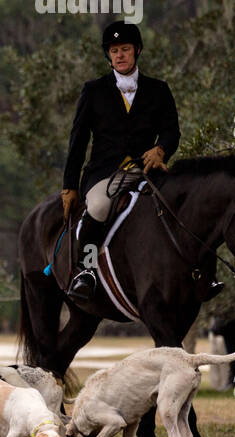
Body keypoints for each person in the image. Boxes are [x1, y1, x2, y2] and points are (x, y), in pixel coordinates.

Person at [60, 20, 181, 303]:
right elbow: (77, 141)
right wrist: (70, 186)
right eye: (114, 51)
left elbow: (172, 130)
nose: (119, 55)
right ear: (108, 55)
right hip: (105, 174)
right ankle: (86, 271)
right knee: (100, 206)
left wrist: (161, 149)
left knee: (180, 201)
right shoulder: (93, 91)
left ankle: (196, 271)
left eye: (125, 49)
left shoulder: (159, 89)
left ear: (137, 50)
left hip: (146, 170)